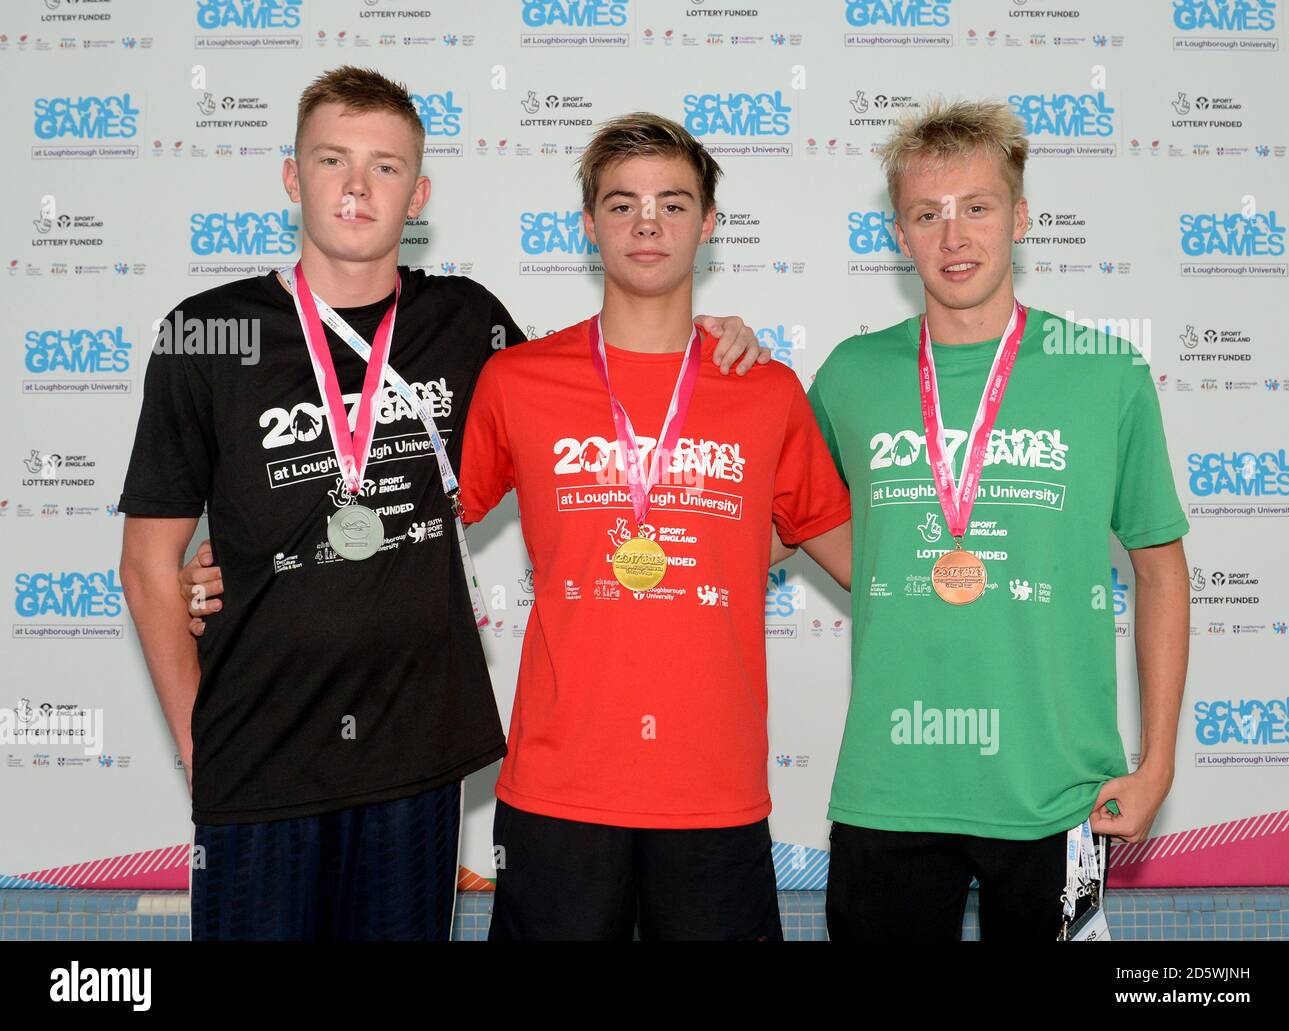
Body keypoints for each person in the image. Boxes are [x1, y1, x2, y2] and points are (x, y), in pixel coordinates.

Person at [120, 66, 766, 942]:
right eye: (332, 160)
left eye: (385, 167)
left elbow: (599, 395)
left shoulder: (471, 326)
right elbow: (150, 564)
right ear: (290, 175)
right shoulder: (205, 330)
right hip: (257, 755)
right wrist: (201, 744)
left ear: (416, 193)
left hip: (417, 756)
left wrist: (714, 339)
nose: (357, 187)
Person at [801, 98, 1190, 941]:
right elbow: (788, 515)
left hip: (1060, 794)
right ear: (898, 235)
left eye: (977, 207)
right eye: (927, 214)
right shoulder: (849, 375)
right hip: (889, 789)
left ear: (1020, 218)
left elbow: (1161, 568)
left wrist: (1157, 761)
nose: (954, 237)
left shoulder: (1107, 373)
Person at [457, 112, 852, 941]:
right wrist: (248, 552)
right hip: (558, 787)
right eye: (622, 203)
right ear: (589, 223)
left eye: (673, 204)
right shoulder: (515, 379)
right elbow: (416, 522)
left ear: (709, 224)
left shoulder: (766, 388)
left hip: (712, 790)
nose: (647, 223)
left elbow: (846, 549)